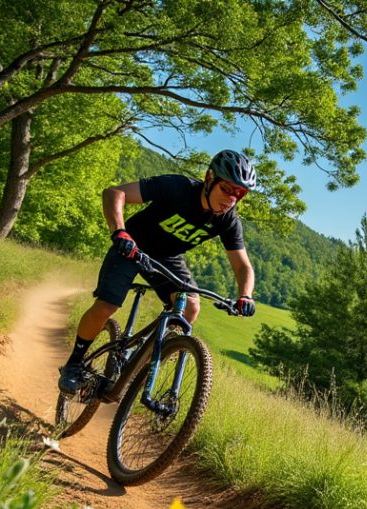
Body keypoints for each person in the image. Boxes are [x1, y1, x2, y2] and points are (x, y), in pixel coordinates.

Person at [58, 149, 258, 394]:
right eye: (227, 188)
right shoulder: (178, 187)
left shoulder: (227, 220)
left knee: (190, 308)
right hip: (131, 247)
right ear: (209, 178)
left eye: (240, 193)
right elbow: (115, 193)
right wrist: (119, 232)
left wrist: (245, 295)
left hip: (167, 258)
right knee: (107, 306)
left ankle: (140, 365)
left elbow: (243, 265)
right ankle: (74, 364)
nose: (231, 198)